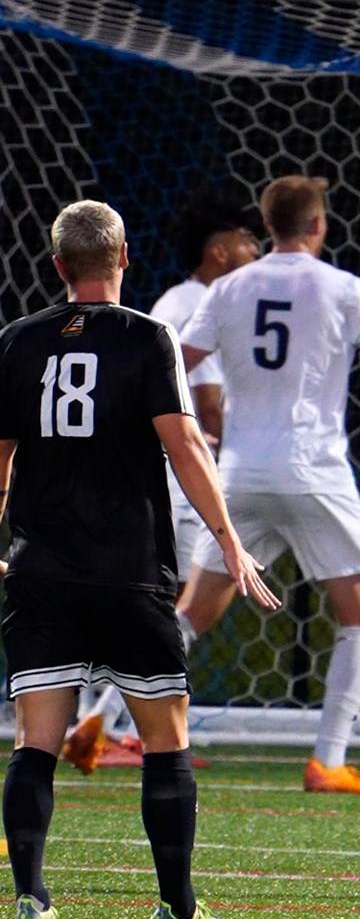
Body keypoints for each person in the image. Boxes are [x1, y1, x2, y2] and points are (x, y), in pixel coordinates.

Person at [0, 200, 280, 919]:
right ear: (124, 257)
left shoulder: (17, 342)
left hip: (42, 570)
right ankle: (178, 907)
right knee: (166, 739)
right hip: (128, 568)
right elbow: (184, 446)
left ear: (59, 265)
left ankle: (31, 897)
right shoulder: (148, 337)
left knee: (36, 740)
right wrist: (228, 538)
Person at [176, 175, 360, 795]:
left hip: (241, 474)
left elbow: (177, 360)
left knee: (192, 612)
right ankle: (327, 760)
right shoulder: (342, 289)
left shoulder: (227, 288)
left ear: (267, 222)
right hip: (312, 471)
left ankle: (100, 712)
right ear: (318, 226)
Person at [62, 184, 261, 776]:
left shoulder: (175, 299)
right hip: (185, 473)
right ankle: (110, 724)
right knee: (176, 607)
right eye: (246, 239)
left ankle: (104, 721)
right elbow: (206, 401)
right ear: (220, 249)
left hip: (150, 472)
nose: (254, 248)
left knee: (178, 606)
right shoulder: (207, 301)